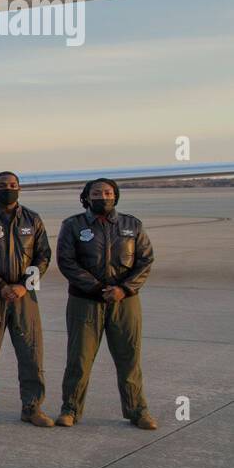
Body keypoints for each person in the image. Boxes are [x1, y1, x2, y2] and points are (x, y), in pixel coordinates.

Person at [55, 178, 157, 429]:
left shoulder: (132, 225)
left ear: (116, 196)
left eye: (108, 192)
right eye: (97, 192)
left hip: (125, 303)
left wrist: (123, 289)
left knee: (129, 357)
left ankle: (138, 411)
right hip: (85, 302)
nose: (103, 196)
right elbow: (66, 261)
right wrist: (99, 288)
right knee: (79, 359)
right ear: (87, 197)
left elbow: (145, 261)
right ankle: (70, 409)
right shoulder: (73, 225)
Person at [0, 172, 54, 427]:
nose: (8, 189)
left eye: (13, 186)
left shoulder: (32, 220)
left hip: (25, 296)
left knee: (31, 353)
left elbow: (43, 255)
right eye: (2, 186)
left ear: (19, 189)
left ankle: (32, 407)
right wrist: (0, 285)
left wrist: (25, 286)